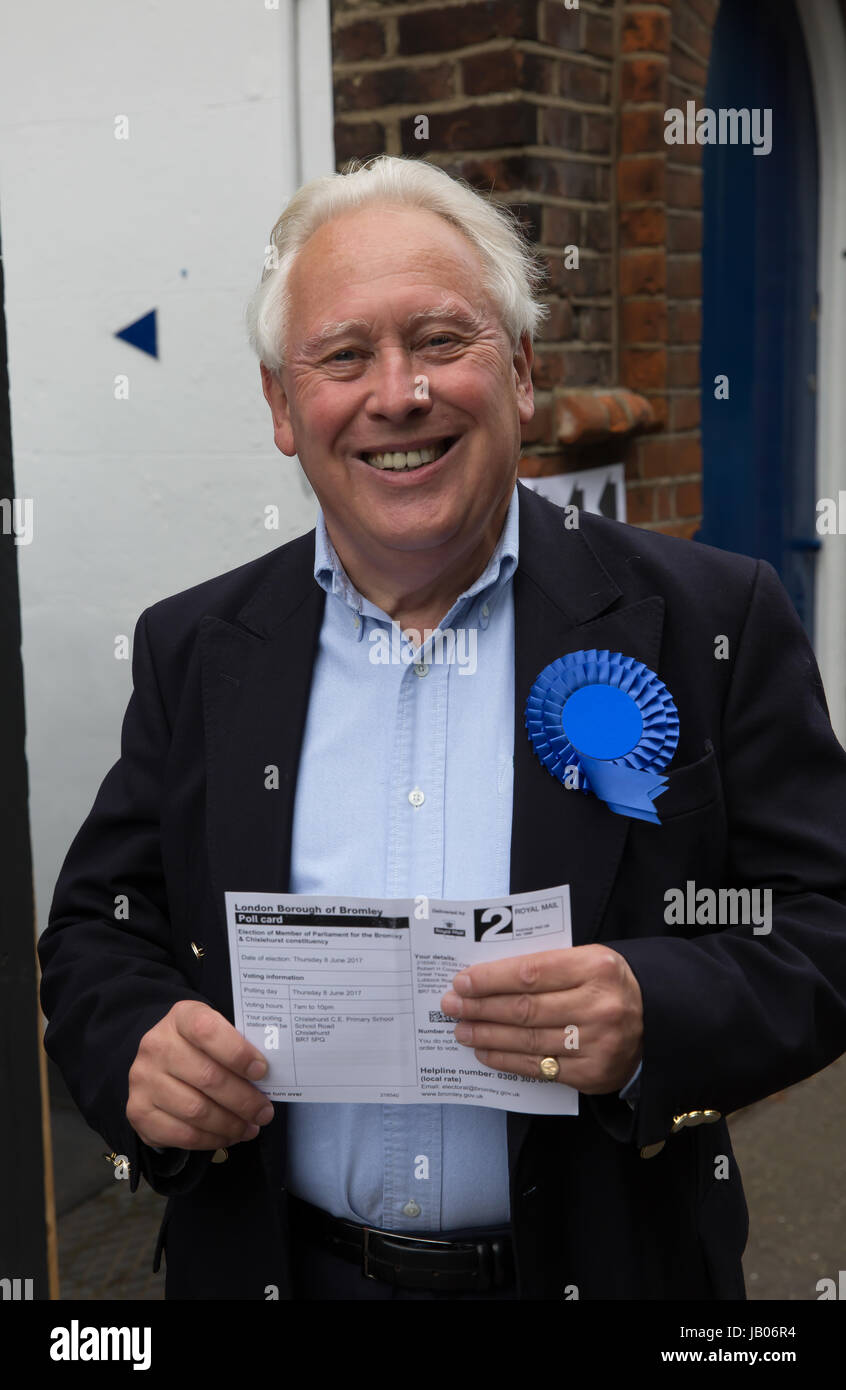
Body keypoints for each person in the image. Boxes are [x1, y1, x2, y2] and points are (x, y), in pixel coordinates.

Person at [38, 155, 846, 1301]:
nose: (399, 394)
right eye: (344, 355)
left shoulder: (712, 620)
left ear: (520, 373)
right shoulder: (195, 647)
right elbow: (95, 928)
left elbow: (825, 920)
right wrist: (137, 1051)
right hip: (276, 1271)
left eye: (442, 340)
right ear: (282, 405)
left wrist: (658, 1009)